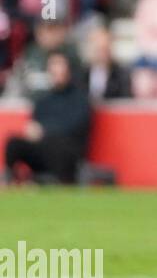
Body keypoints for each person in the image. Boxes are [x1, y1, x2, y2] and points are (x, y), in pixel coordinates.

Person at [4, 52, 91, 184]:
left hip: (67, 152)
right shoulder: (43, 100)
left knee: (55, 144)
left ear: (69, 69)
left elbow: (75, 126)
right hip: (42, 149)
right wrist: (32, 130)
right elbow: (35, 125)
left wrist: (44, 130)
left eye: (59, 65)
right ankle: (12, 182)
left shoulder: (80, 98)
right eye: (53, 66)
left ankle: (57, 182)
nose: (56, 70)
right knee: (13, 143)